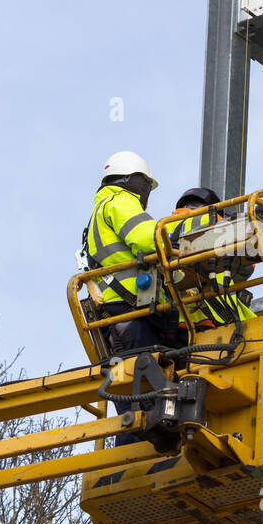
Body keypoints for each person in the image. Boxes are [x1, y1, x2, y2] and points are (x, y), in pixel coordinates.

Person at [83, 151, 171, 445]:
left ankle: (128, 463)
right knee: (144, 396)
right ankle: (142, 454)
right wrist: (184, 238)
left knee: (131, 392)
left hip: (115, 318)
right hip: (130, 314)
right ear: (131, 180)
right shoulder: (120, 201)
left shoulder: (98, 212)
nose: (147, 192)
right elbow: (149, 239)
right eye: (145, 184)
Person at [165, 186, 257, 331]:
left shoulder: (162, 228)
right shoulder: (215, 222)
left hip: (172, 320)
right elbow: (245, 269)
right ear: (216, 210)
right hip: (216, 317)